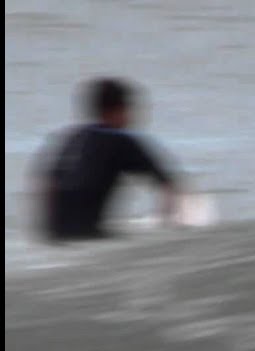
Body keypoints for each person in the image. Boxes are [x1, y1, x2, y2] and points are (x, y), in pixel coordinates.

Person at [31, 77, 180, 241]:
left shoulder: (71, 138)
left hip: (55, 237)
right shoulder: (121, 141)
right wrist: (168, 226)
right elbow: (168, 185)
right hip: (89, 238)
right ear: (118, 111)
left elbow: (47, 184)